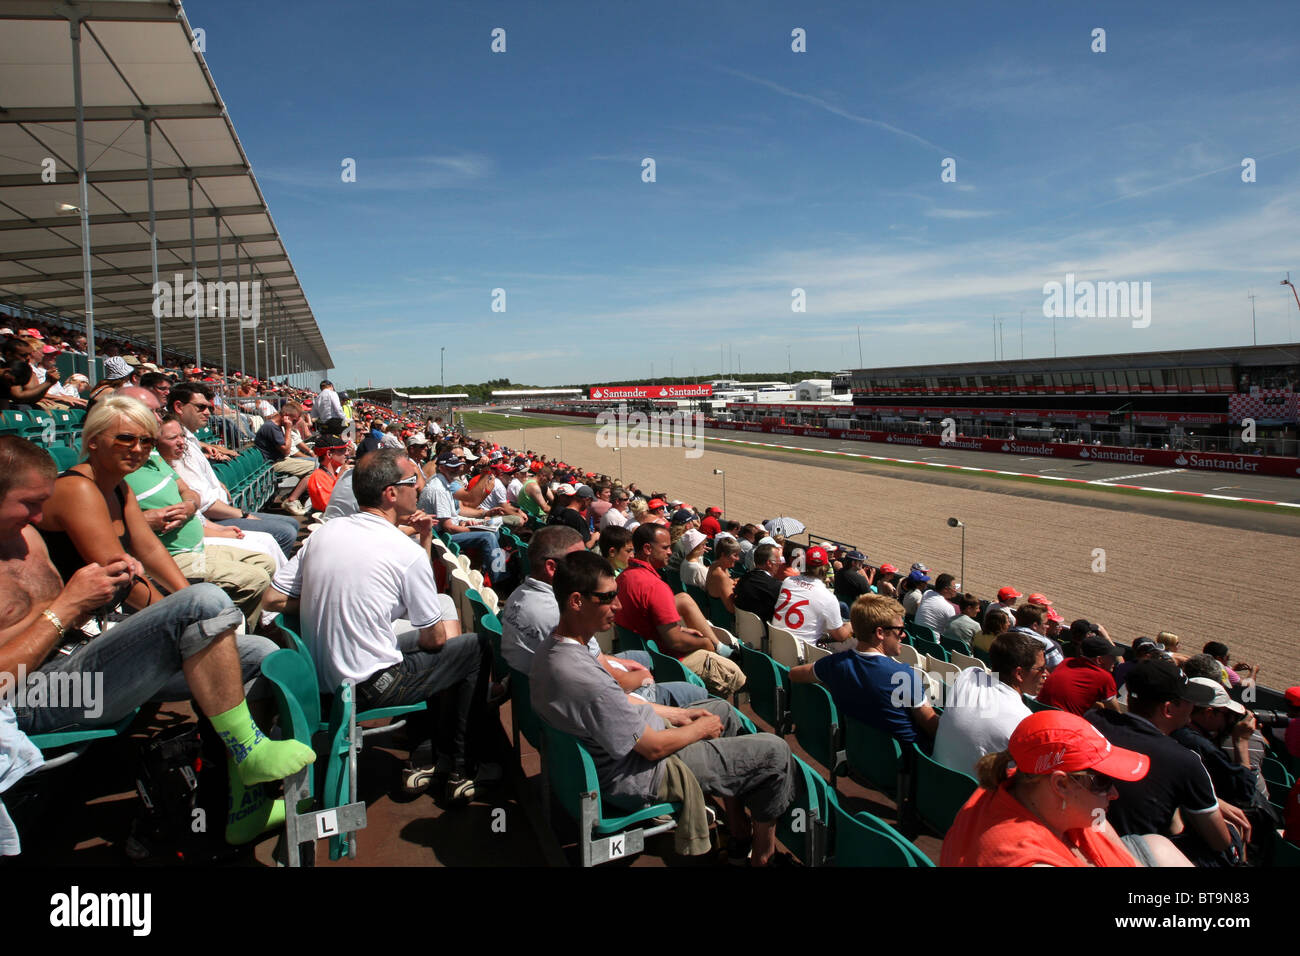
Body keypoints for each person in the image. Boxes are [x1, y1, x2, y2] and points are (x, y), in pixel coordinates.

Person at [0, 435, 312, 846]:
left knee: (258, 654)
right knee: (200, 603)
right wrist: (68, 605)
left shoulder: (24, 533)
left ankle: (240, 805)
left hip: (81, 656)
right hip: (35, 693)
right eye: (30, 504)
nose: (42, 517)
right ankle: (249, 749)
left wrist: (99, 594)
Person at [530, 551, 795, 864]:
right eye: (607, 598)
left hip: (620, 756)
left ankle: (737, 831)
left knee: (720, 710)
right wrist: (699, 728)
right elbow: (653, 748)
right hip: (642, 774)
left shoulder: (553, 650)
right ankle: (763, 856)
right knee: (775, 751)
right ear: (576, 601)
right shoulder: (583, 676)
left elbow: (621, 706)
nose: (617, 606)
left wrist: (682, 715)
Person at [264, 448, 487, 803]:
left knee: (431, 647)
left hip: (321, 679)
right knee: (471, 649)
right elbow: (433, 639)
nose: (420, 486)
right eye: (413, 481)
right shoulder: (404, 551)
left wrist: (328, 601)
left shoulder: (326, 531)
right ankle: (461, 766)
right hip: (369, 686)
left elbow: (271, 599)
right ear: (391, 494)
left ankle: (429, 750)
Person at [941, 711, 1194, 867]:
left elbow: (1101, 827)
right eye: (1103, 782)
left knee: (1159, 844)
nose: (1115, 793)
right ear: (1061, 784)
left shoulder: (1019, 779)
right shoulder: (1027, 859)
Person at [498, 526, 705, 706]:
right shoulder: (560, 614)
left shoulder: (518, 596)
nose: (589, 566)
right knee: (697, 693)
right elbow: (615, 682)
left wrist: (619, 664)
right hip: (597, 701)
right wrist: (642, 678)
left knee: (644, 657)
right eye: (579, 561)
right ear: (552, 568)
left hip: (548, 695)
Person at [121, 412, 275, 633]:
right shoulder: (117, 476)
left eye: (146, 440)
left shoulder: (153, 456)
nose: (139, 446)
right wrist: (142, 521)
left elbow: (188, 491)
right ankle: (229, 635)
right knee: (255, 578)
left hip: (197, 547)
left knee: (266, 563)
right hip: (177, 557)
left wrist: (189, 505)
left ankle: (237, 626)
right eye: (128, 438)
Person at [1086, 659, 1249, 867]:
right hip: (1129, 854)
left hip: (1086, 838)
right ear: (1169, 709)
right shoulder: (1185, 760)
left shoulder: (1094, 719)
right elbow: (1220, 842)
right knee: (1232, 835)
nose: (1194, 706)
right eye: (1189, 700)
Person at [164, 383, 300, 556]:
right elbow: (205, 505)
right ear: (178, 407)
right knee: (285, 532)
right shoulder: (178, 445)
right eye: (201, 407)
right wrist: (243, 515)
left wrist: (215, 481)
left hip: (221, 510)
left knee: (293, 525)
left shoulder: (190, 439)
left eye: (209, 408)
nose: (208, 412)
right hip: (212, 518)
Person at [789, 594, 939, 743]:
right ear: (880, 633)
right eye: (899, 630)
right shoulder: (904, 676)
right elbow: (933, 727)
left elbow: (794, 674)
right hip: (907, 760)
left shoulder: (835, 664)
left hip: (858, 752)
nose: (903, 635)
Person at [615, 524, 744, 696]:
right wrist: (705, 643)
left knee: (683, 599)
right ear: (647, 549)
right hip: (667, 661)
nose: (670, 552)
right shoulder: (654, 586)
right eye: (665, 547)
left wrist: (682, 630)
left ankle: (718, 647)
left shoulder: (624, 576)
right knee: (737, 674)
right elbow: (675, 641)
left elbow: (646, 618)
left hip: (647, 652)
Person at [932, 631, 1044, 775]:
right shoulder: (1025, 721)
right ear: (1019, 674)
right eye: (1040, 669)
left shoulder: (968, 674)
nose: (1046, 674)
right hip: (976, 794)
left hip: (932, 782)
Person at [773, 545, 853, 651]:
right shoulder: (828, 597)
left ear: (804, 564)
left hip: (775, 646)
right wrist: (851, 625)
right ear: (826, 568)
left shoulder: (788, 581)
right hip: (800, 655)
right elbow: (840, 636)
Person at [1036, 634, 1125, 715]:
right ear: (1099, 660)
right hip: (1062, 723)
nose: (1115, 661)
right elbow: (1115, 713)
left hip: (1037, 712)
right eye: (1112, 657)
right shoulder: (1104, 677)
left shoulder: (1067, 662)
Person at [253, 401, 313, 515]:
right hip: (273, 463)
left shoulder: (275, 426)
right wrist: (289, 429)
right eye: (294, 420)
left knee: (316, 464)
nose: (295, 423)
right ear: (286, 416)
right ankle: (291, 500)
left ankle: (293, 495)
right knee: (315, 467)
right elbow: (286, 450)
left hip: (278, 460)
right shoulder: (272, 427)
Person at [734, 542, 784, 623]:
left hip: (742, 628)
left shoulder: (743, 579)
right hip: (767, 632)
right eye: (778, 561)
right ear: (769, 563)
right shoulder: (776, 586)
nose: (780, 564)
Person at [705, 536, 741, 616]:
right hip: (725, 622)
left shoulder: (715, 565)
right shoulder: (721, 576)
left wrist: (733, 582)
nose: (738, 558)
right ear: (723, 555)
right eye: (735, 555)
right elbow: (732, 609)